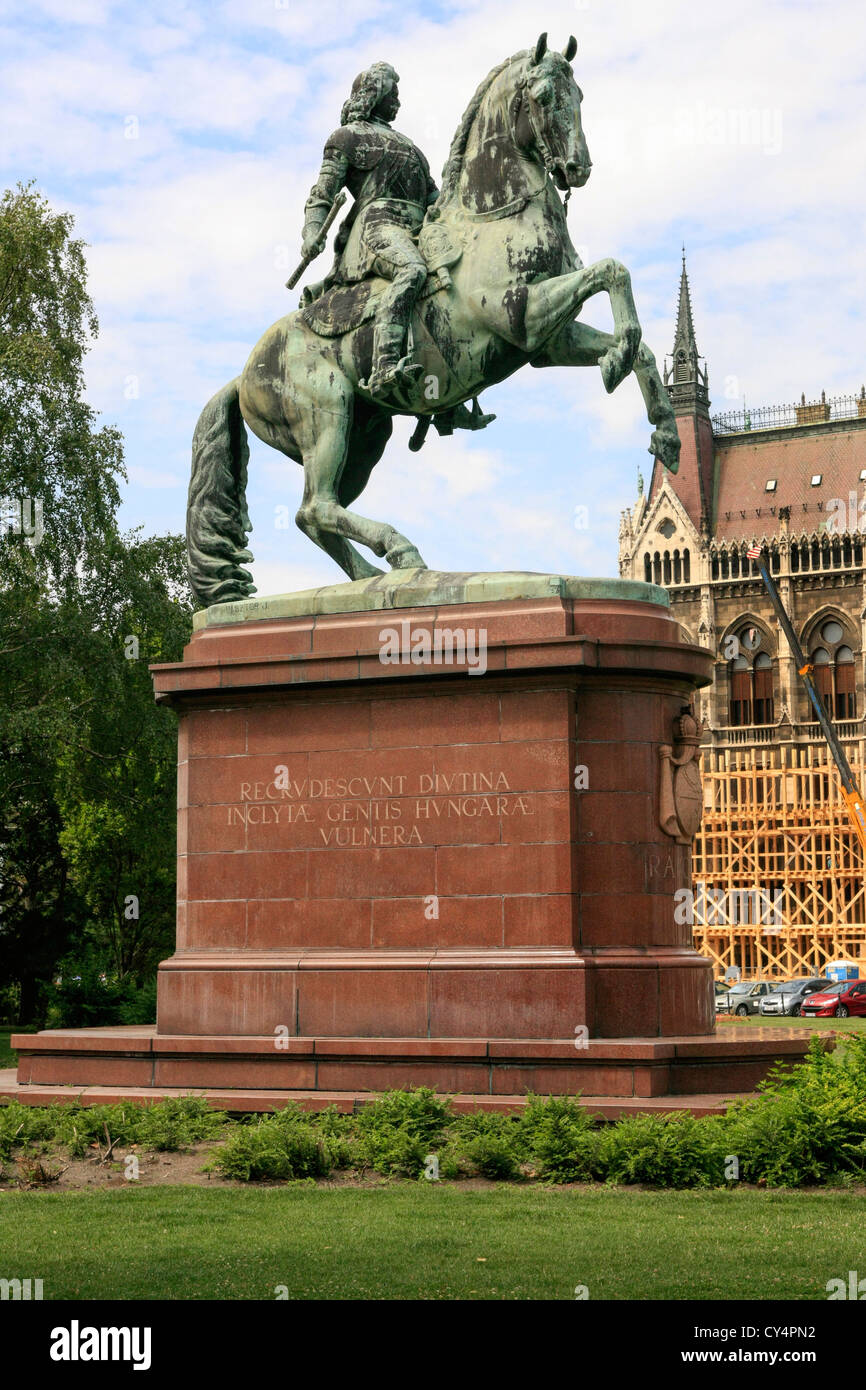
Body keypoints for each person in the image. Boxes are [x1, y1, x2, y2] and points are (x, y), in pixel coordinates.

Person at [301, 61, 439, 398]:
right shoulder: (346, 138)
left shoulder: (411, 147)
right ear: (375, 94)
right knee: (412, 270)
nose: (398, 102)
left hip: (419, 228)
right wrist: (312, 232)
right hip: (375, 228)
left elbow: (433, 197)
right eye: (393, 94)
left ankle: (448, 392)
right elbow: (322, 194)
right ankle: (385, 366)